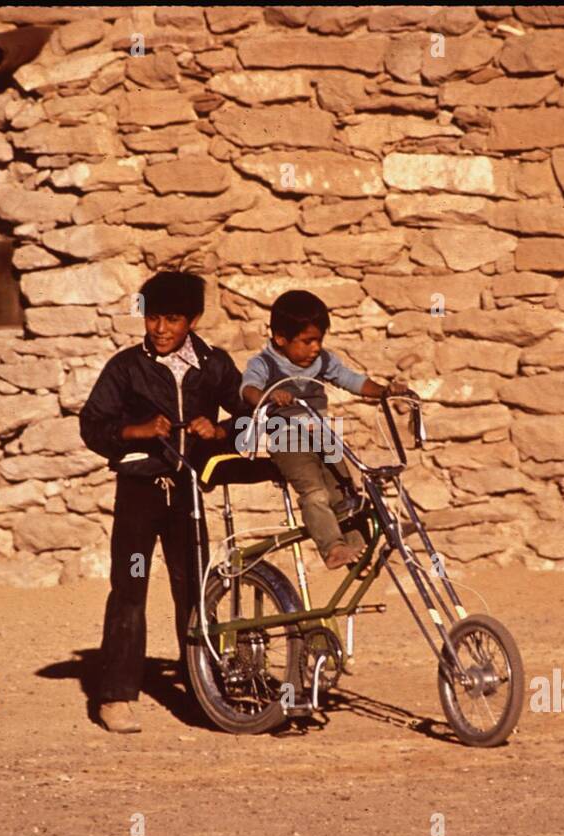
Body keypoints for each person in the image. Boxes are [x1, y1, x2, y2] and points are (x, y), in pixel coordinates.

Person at [78, 271, 243, 734]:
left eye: (172, 319)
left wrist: (220, 430)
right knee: (130, 589)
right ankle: (115, 696)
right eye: (152, 318)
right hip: (140, 492)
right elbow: (92, 425)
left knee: (194, 590)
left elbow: (250, 414)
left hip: (188, 493)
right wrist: (137, 431)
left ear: (193, 320)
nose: (160, 328)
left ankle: (205, 691)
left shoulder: (214, 365)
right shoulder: (126, 367)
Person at [240, 290, 404, 570]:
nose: (315, 348)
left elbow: (351, 379)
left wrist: (384, 391)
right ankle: (332, 548)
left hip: (323, 436)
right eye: (308, 341)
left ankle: (357, 550)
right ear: (280, 338)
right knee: (315, 493)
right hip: (288, 441)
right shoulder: (263, 363)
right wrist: (268, 396)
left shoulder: (323, 361)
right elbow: (249, 389)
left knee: (345, 492)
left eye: (319, 340)